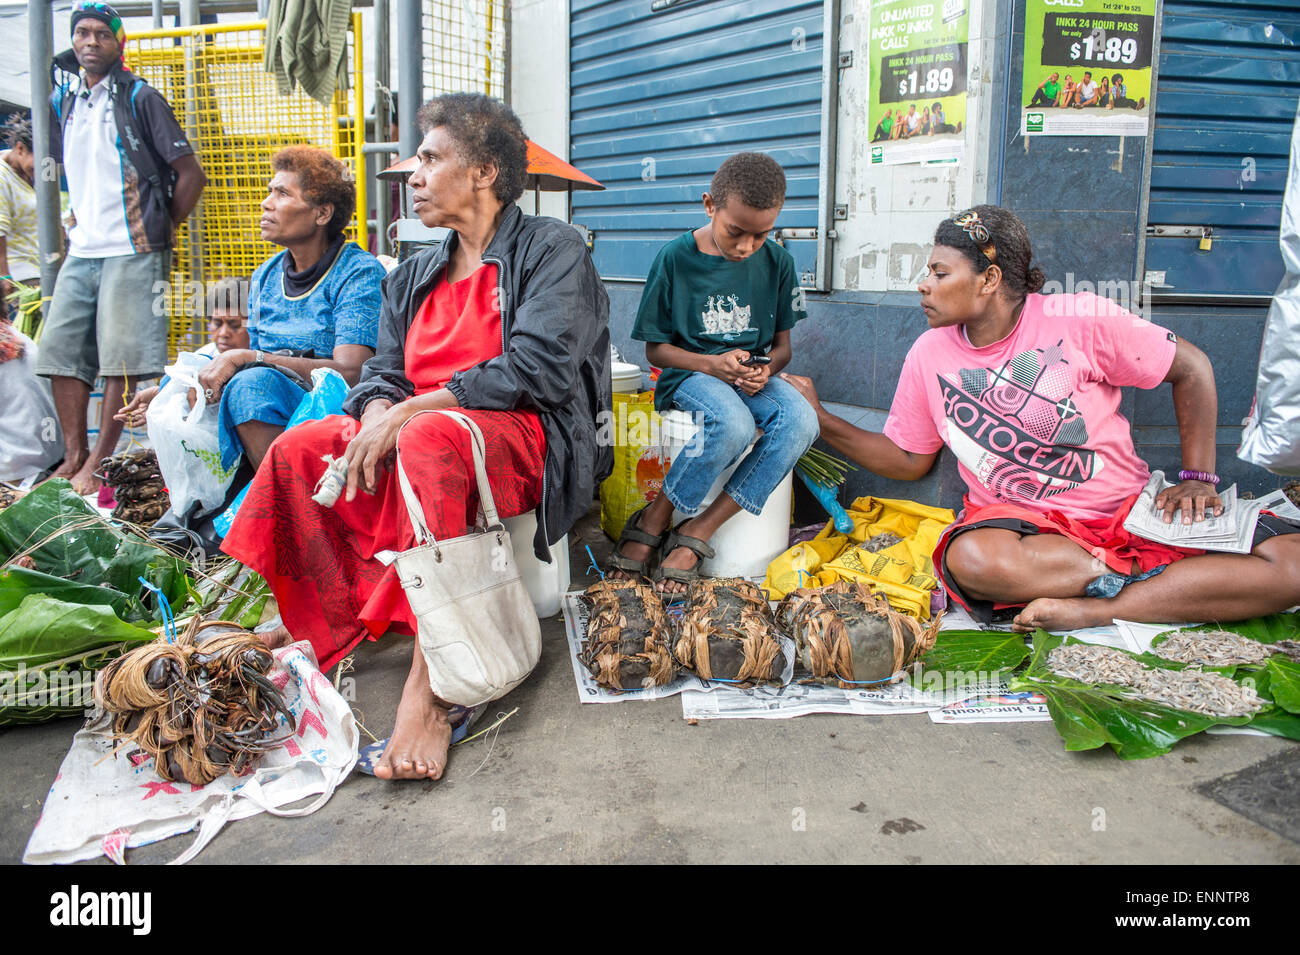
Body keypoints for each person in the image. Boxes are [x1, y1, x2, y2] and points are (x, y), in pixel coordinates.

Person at [221, 93, 611, 781]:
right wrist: (375, 413)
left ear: (484, 171)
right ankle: (322, 621)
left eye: (431, 159)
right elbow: (380, 373)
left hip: (524, 436)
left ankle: (432, 691)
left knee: (429, 436)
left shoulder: (552, 249)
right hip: (427, 426)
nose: (414, 175)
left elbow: (541, 368)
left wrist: (410, 413)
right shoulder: (414, 274)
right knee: (303, 445)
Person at [782, 205, 1300, 633]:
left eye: (939, 273)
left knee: (1294, 563)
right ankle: (1173, 588)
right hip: (1027, 534)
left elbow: (1192, 367)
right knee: (975, 561)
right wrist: (821, 419)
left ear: (988, 279)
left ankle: (1101, 607)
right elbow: (910, 459)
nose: (924, 285)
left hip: (1125, 512)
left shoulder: (1079, 318)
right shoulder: (929, 353)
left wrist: (1198, 478)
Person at [608, 151, 818, 592]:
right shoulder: (676, 259)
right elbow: (656, 350)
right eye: (735, 232)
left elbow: (782, 349)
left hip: (748, 376)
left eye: (761, 236)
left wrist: (765, 371)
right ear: (710, 205)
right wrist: (711, 364)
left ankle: (697, 531)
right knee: (733, 424)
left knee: (802, 421)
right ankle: (657, 515)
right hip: (691, 374)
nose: (746, 247)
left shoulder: (778, 263)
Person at [36, 1, 207, 494]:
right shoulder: (64, 102)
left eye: (102, 35)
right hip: (84, 247)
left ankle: (100, 462)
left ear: (119, 44)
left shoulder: (140, 97)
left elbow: (190, 173)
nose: (91, 42)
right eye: (82, 33)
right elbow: (70, 172)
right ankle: (74, 454)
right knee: (60, 351)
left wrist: (161, 228)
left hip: (134, 246)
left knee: (123, 359)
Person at [196, 146, 385, 472]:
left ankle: (285, 501)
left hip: (332, 411)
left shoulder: (359, 273)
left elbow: (353, 372)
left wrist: (249, 359)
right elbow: (252, 353)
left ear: (322, 213)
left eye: (282, 193)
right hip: (269, 406)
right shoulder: (265, 275)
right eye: (270, 191)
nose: (266, 203)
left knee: (250, 386)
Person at [114, 276, 252, 429]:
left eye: (234, 325)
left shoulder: (268, 358)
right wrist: (162, 398)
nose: (223, 333)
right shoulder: (204, 355)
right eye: (217, 323)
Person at [0, 115, 39, 323]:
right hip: (18, 279)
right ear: (20, 148)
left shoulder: (33, 175)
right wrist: (4, 277)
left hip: (40, 269)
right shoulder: (2, 175)